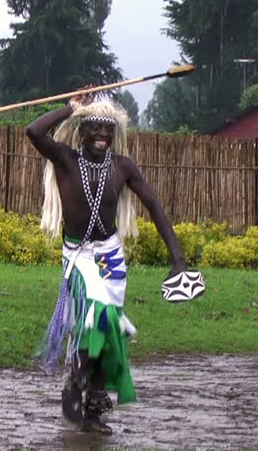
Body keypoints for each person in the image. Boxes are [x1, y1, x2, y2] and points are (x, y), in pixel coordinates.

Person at [26, 94, 186, 433]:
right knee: (97, 320)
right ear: (81, 131)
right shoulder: (66, 159)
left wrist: (178, 259)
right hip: (79, 257)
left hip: (111, 257)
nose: (102, 134)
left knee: (109, 329)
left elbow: (155, 206)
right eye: (94, 127)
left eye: (107, 129)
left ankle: (92, 405)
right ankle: (76, 384)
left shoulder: (123, 166)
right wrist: (71, 108)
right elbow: (34, 131)